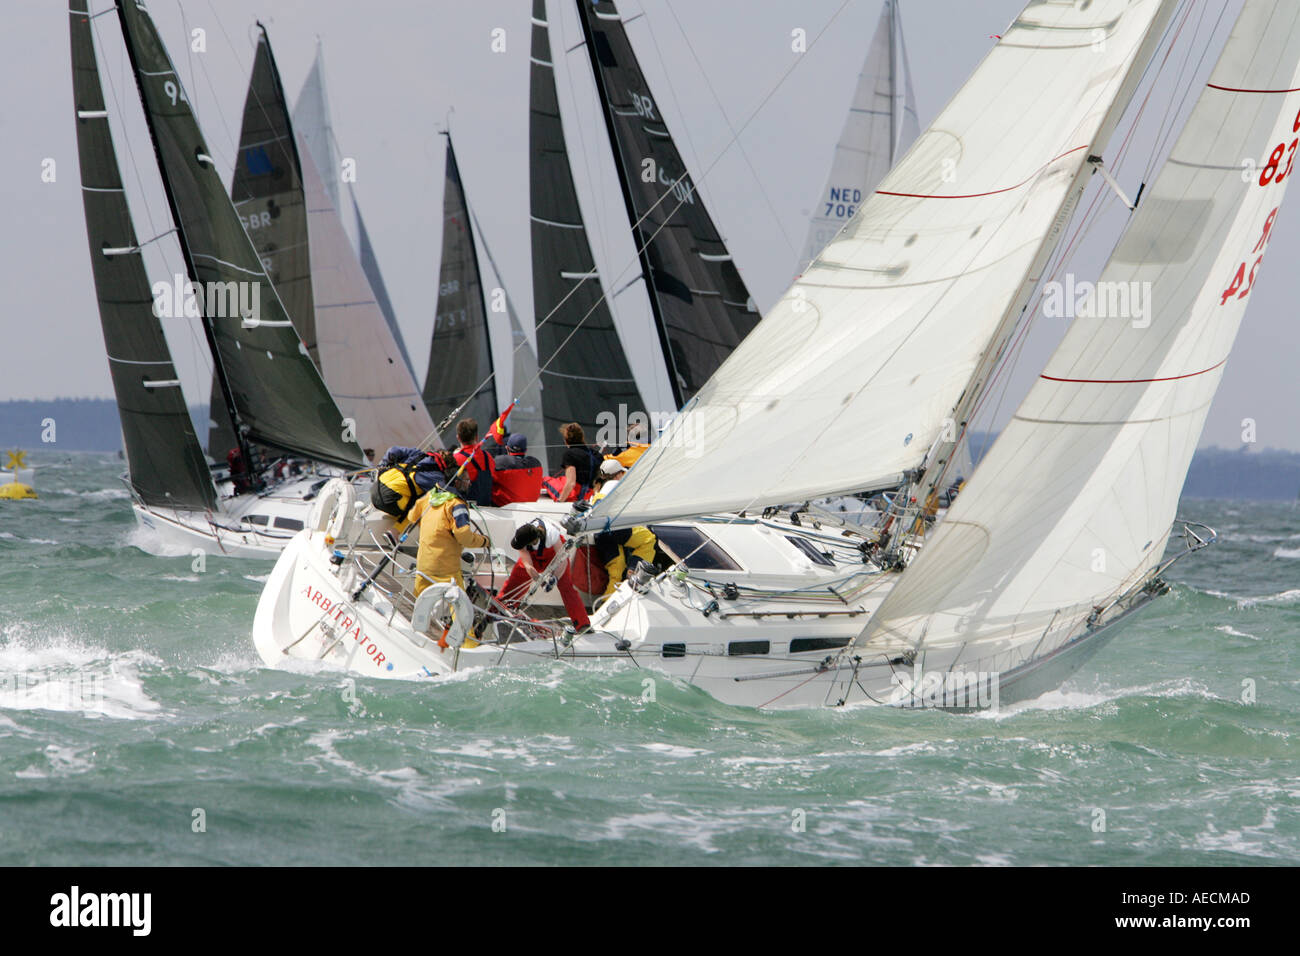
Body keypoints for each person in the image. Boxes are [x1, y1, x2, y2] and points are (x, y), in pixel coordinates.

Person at [405, 470, 488, 598]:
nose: (469, 484)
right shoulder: (457, 505)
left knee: (420, 603)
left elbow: (412, 517)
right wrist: (484, 541)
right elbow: (464, 536)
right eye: (466, 480)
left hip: (424, 565)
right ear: (457, 482)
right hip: (446, 569)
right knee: (459, 606)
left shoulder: (429, 497)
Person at [498, 517, 590, 631]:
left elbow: (562, 560)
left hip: (554, 557)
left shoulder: (552, 534)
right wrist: (532, 572)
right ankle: (499, 609)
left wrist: (554, 578)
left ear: (533, 541)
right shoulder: (522, 534)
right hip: (532, 557)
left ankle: (582, 623)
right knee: (515, 580)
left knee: (566, 587)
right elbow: (525, 557)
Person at [591, 460, 659, 596]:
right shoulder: (616, 485)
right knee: (648, 539)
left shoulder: (598, 490)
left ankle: (605, 604)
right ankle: (633, 570)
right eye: (623, 473)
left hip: (599, 533)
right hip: (615, 528)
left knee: (616, 569)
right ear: (617, 475)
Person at [371, 446, 453, 519]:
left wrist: (382, 466)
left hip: (376, 486)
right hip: (391, 501)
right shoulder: (438, 478)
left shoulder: (417, 453)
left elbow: (392, 450)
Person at [544, 422, 600, 502]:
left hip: (576, 496)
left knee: (545, 480)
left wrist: (560, 501)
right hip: (591, 495)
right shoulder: (596, 454)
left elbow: (571, 483)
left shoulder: (569, 454)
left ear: (566, 440)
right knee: (561, 479)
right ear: (582, 437)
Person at [491, 433, 544, 506]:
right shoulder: (536, 464)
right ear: (525, 450)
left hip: (505, 509)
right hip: (530, 507)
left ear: (507, 448)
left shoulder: (500, 462)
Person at [452, 418, 494, 507]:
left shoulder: (455, 459)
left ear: (458, 438)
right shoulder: (488, 457)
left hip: (466, 509)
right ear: (477, 437)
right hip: (488, 509)